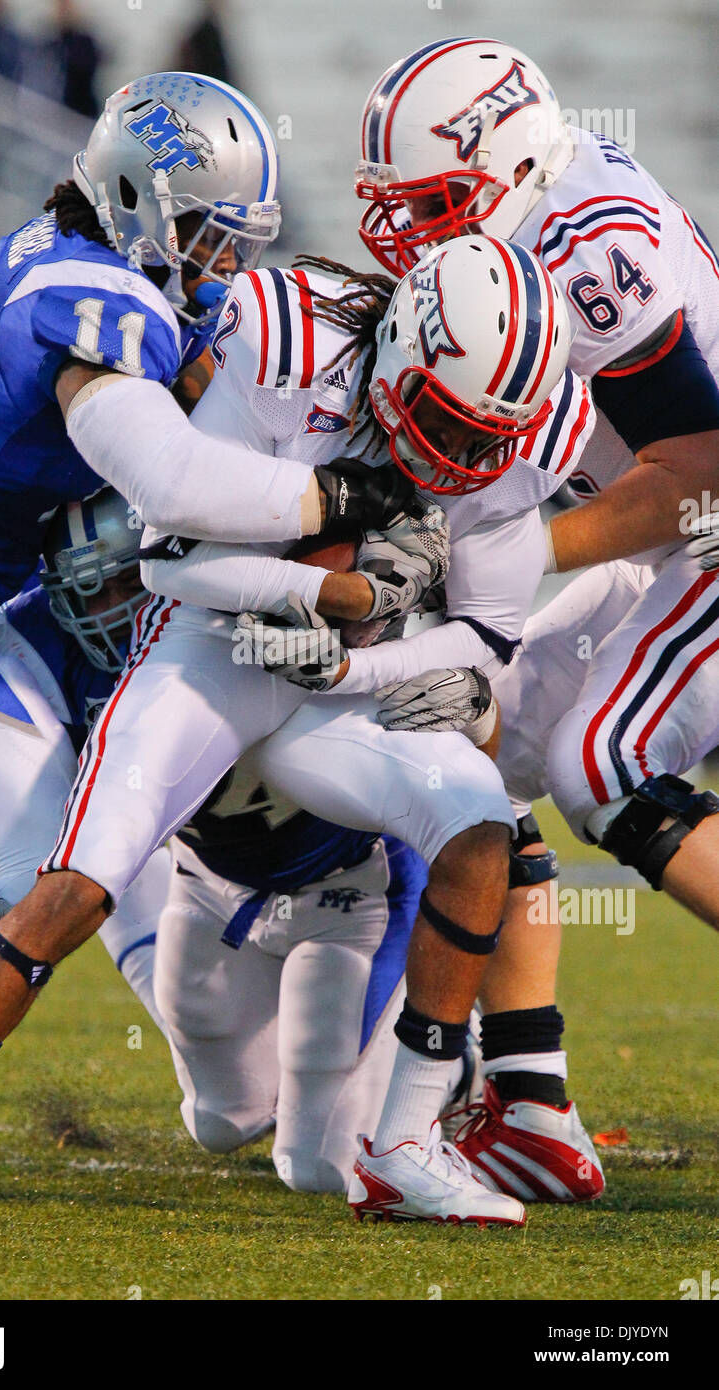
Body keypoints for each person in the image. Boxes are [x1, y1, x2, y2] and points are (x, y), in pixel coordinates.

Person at [0, 234, 596, 1232]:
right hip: (210, 648)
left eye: (481, 440)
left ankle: (410, 1139)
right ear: (398, 356)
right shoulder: (282, 344)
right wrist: (327, 585)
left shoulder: (516, 442)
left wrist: (395, 668)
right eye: (441, 424)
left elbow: (487, 638)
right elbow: (167, 566)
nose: (455, 460)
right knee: (79, 876)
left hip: (333, 688)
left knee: (478, 818)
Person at [354, 36, 719, 1201]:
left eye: (434, 205)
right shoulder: (531, 212)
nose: (410, 235)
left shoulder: (581, 237)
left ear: (504, 163)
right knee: (478, 742)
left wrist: (508, 559)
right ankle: (528, 1102)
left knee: (601, 756)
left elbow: (698, 469)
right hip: (679, 533)